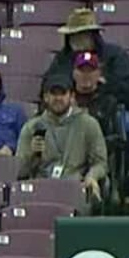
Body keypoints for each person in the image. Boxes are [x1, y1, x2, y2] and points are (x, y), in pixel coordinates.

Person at [44, 9, 129, 144]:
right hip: (68, 112)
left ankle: (125, 164)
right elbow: (47, 85)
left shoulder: (114, 55)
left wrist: (105, 85)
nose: (76, 40)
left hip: (108, 110)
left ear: (93, 35)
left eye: (81, 35)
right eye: (73, 35)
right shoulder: (62, 59)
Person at [16, 75, 108, 211]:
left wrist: (92, 176)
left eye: (63, 94)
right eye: (53, 94)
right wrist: (32, 154)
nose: (58, 98)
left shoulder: (89, 124)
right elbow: (19, 171)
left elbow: (101, 163)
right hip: (41, 188)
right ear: (46, 97)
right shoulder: (32, 127)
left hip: (75, 185)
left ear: (71, 96)